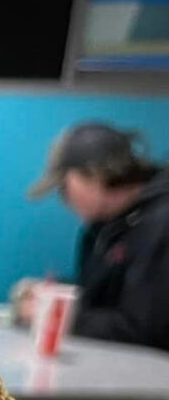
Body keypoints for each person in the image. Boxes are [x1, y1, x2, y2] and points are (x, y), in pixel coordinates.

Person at [23, 122, 169, 350]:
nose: (64, 199)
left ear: (94, 176)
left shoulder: (161, 225)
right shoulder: (105, 227)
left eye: (64, 186)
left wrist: (60, 317)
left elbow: (144, 330)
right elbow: (101, 297)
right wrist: (53, 294)